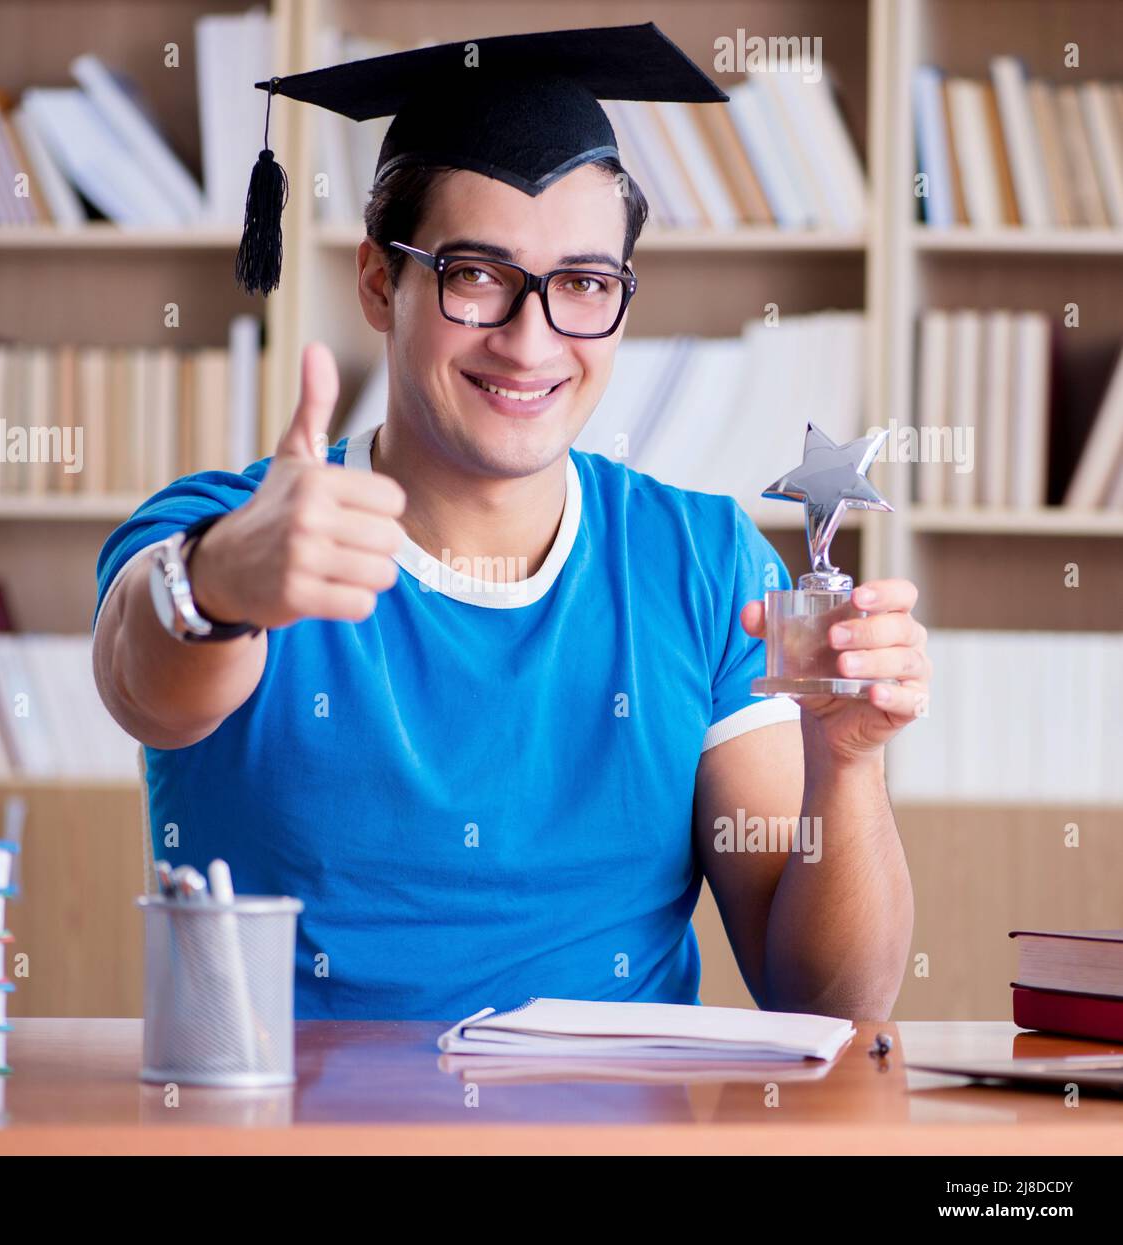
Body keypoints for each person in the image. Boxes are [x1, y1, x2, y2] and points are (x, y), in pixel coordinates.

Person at [93, 25, 928, 1021]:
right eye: (476, 275)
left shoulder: (702, 564)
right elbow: (148, 688)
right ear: (378, 283)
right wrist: (220, 584)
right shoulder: (238, 528)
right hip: (289, 1127)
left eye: (583, 284)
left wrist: (849, 761)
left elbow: (831, 1004)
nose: (531, 341)